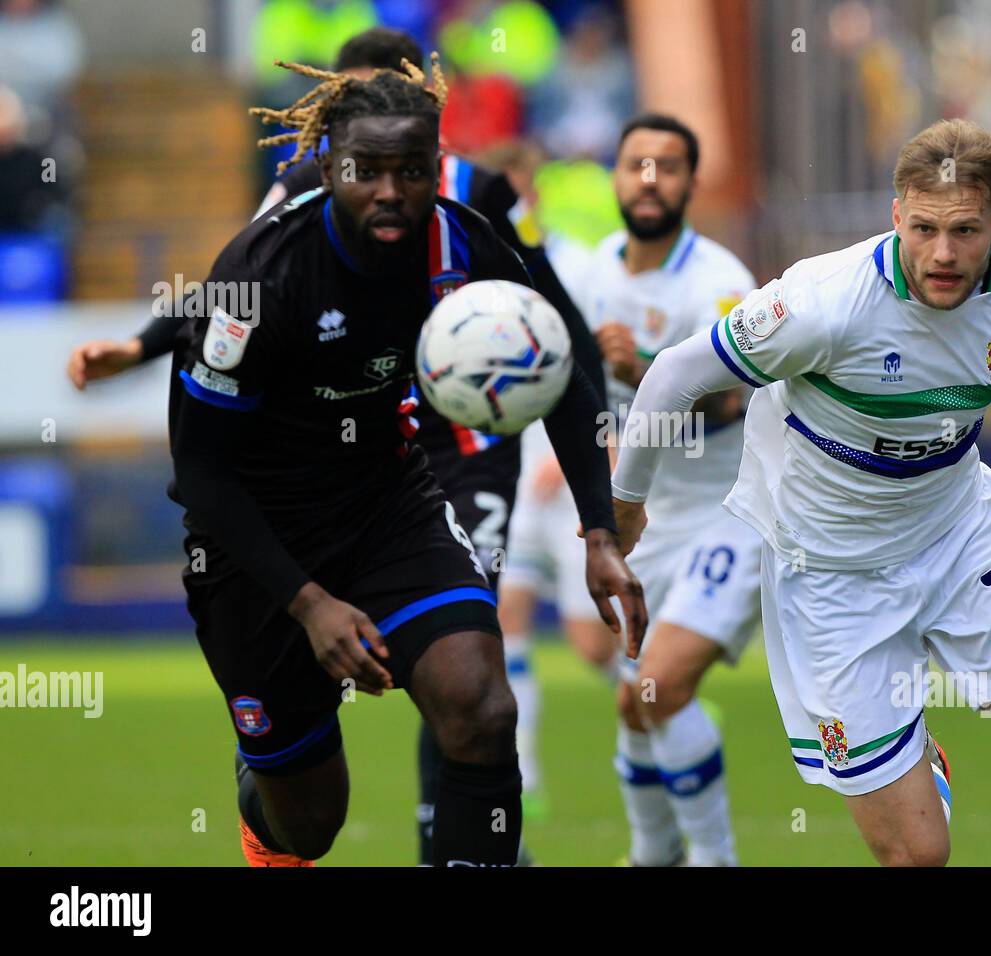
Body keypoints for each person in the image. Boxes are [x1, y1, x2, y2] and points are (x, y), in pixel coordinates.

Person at [65, 26, 615, 866]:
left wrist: (599, 532)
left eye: (414, 171)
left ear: (440, 164)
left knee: (481, 706)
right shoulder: (259, 279)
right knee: (311, 819)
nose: (391, 191)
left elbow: (560, 367)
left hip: (386, 500)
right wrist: (310, 602)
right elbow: (203, 474)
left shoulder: (461, 237)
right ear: (326, 168)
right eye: (367, 170)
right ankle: (263, 815)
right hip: (255, 541)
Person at [609, 118, 991, 867]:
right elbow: (677, 375)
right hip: (832, 576)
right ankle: (922, 770)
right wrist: (626, 508)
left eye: (965, 230)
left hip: (962, 540)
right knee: (917, 856)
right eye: (924, 228)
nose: (943, 253)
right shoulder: (822, 301)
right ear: (895, 215)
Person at [505, 113, 764, 866]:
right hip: (639, 522)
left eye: (668, 167)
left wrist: (645, 371)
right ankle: (655, 855)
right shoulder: (587, 275)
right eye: (635, 164)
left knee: (662, 689)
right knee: (635, 699)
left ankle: (712, 859)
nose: (649, 181)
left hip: (725, 518)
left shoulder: (720, 282)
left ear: (690, 181)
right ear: (614, 176)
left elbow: (734, 399)